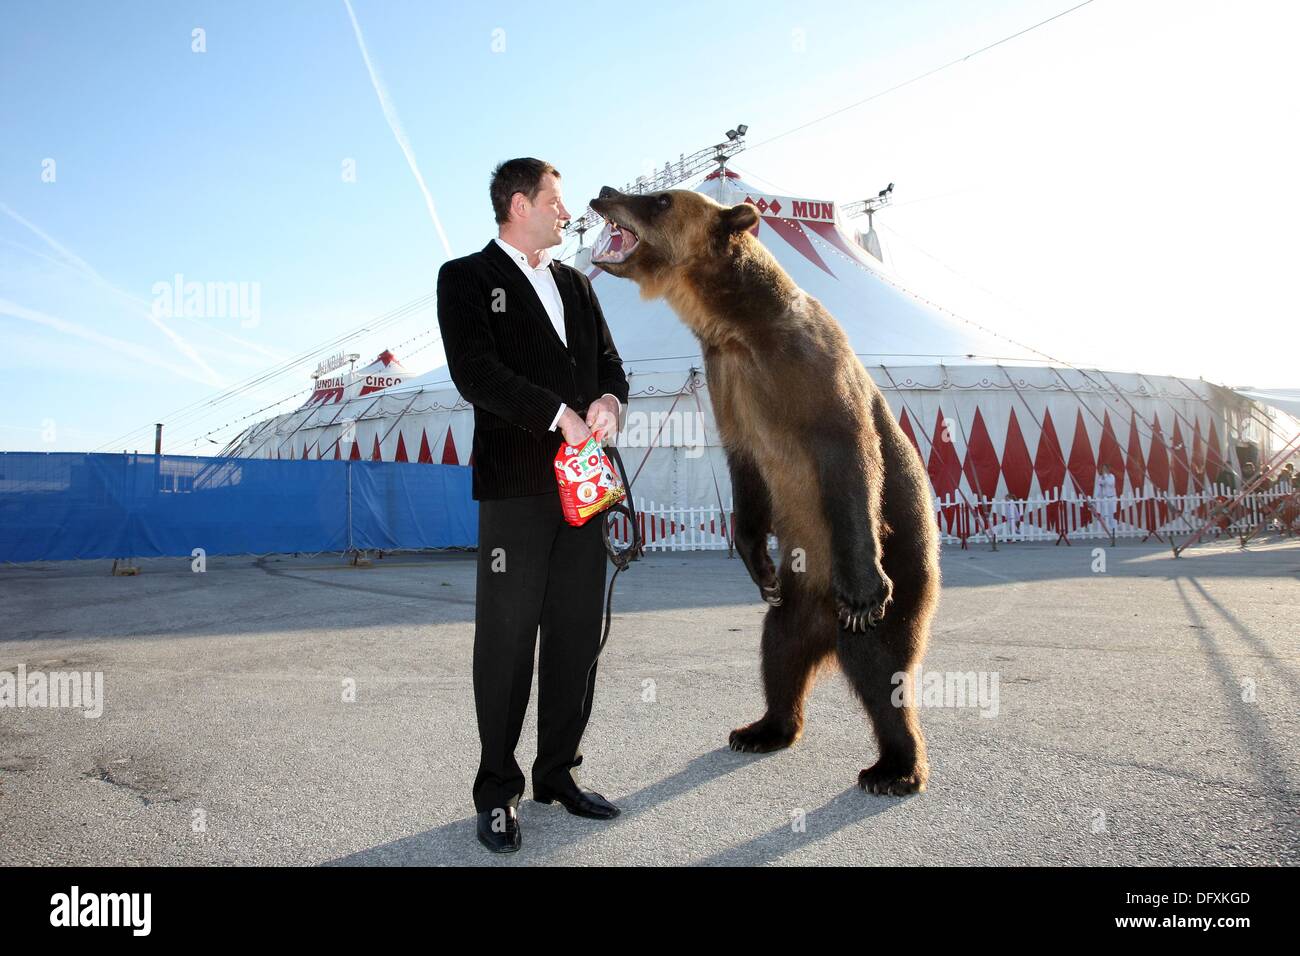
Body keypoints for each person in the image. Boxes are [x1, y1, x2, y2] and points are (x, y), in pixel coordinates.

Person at [436, 158, 630, 853]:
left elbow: (609, 365)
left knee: (577, 634)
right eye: (555, 200)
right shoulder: (465, 279)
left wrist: (608, 400)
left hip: (583, 488)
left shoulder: (577, 284)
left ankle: (557, 775)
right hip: (518, 489)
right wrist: (558, 414)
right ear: (519, 204)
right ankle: (497, 791)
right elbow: (476, 374)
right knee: (509, 641)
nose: (564, 211)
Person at [1093, 464, 1118, 540]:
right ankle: (1105, 531)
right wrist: (1095, 497)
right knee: (1103, 515)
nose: (1104, 470)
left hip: (1111, 498)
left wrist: (1106, 477)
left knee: (1111, 515)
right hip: (1103, 498)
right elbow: (1099, 486)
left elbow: (1111, 484)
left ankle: (1113, 531)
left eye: (1105, 468)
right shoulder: (1100, 477)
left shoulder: (1111, 476)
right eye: (1103, 468)